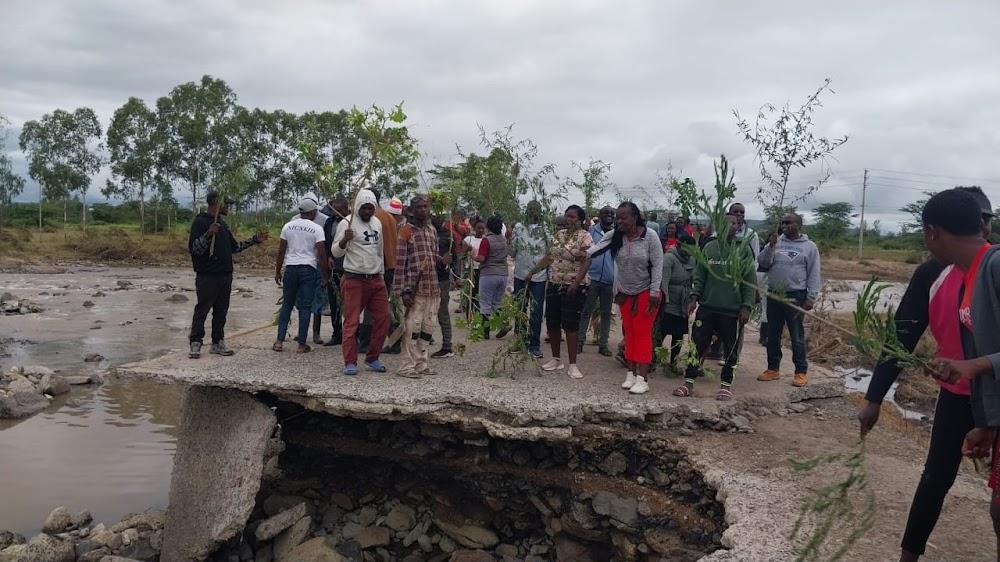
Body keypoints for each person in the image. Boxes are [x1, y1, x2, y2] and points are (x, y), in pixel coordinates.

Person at [859, 187, 993, 562]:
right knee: (935, 479)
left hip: (995, 397)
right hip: (958, 397)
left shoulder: (993, 271)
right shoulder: (932, 273)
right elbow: (901, 335)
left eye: (986, 221)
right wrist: (873, 398)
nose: (982, 229)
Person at [918, 189, 1000, 560]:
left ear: (932, 232)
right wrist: (986, 423)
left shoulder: (995, 267)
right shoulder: (969, 276)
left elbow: (980, 362)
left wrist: (974, 365)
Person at [678, 214, 755, 400]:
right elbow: (700, 275)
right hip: (707, 307)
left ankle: (725, 386)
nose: (729, 226)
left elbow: (749, 281)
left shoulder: (743, 250)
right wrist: (694, 296)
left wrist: (746, 306)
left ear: (738, 227)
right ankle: (688, 383)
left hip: (732, 310)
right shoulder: (710, 247)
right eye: (725, 223)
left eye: (734, 223)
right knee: (697, 346)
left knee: (730, 349)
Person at [588, 202, 663, 394]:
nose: (618, 220)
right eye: (617, 217)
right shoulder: (615, 235)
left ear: (635, 217)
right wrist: (577, 255)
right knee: (629, 332)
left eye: (623, 217)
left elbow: (657, 266)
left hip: (648, 291)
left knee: (642, 332)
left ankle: (643, 378)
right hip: (625, 292)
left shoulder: (650, 237)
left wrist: (655, 292)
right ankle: (630, 374)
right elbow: (595, 249)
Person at [187, 191, 268, 358]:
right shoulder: (200, 222)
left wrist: (254, 240)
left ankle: (217, 342)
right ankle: (195, 343)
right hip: (207, 275)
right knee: (202, 309)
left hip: (225, 275)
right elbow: (195, 249)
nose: (229, 207)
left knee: (221, 311)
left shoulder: (223, 225)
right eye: (226, 204)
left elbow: (234, 247)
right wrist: (209, 234)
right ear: (216, 203)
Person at [756, 212, 821, 387]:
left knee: (796, 335)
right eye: (783, 222)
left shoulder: (809, 247)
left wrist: (811, 297)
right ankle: (773, 369)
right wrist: (770, 246)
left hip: (796, 296)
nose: (785, 225)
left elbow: (814, 273)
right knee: (772, 333)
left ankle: (800, 372)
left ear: (799, 225)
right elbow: (762, 262)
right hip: (774, 294)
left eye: (789, 222)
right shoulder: (777, 242)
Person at [528, 205, 591, 379]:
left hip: (574, 286)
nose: (568, 219)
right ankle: (556, 359)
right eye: (567, 216)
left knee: (570, 325)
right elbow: (549, 257)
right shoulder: (559, 235)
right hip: (555, 283)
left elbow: (586, 261)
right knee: (552, 323)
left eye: (572, 217)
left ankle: (573, 365)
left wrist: (576, 283)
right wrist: (532, 272)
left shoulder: (585, 237)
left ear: (580, 220)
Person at [331, 188, 390, 376]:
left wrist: (381, 273)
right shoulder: (346, 223)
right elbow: (335, 252)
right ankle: (350, 362)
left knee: (383, 319)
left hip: (375, 279)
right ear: (357, 207)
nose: (367, 212)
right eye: (364, 208)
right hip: (354, 279)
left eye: (370, 208)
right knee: (352, 322)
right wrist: (344, 241)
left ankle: (373, 357)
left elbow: (379, 250)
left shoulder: (377, 223)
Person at [273, 197, 329, 353]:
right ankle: (301, 344)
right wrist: (324, 276)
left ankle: (279, 341)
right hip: (308, 269)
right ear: (312, 212)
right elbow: (322, 255)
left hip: (290, 269)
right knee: (305, 307)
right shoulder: (317, 229)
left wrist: (278, 271)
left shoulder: (288, 226)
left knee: (287, 305)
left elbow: (281, 251)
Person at [394, 195, 441, 378]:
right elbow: (400, 264)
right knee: (412, 328)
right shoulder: (405, 231)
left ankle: (422, 364)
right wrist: (403, 291)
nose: (423, 210)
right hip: (414, 288)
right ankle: (406, 366)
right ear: (412, 211)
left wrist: (443, 261)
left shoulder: (432, 230)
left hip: (432, 287)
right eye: (419, 207)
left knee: (428, 328)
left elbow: (434, 256)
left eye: (425, 207)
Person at [511, 201, 549, 359]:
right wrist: (510, 239)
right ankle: (520, 341)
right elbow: (513, 252)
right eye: (529, 209)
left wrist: (533, 271)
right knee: (519, 309)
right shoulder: (519, 227)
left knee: (536, 311)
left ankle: (534, 345)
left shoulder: (546, 229)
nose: (532, 212)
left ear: (540, 212)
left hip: (538, 278)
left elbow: (549, 255)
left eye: (535, 210)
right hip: (519, 275)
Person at [578, 206, 615, 356]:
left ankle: (603, 345)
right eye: (606, 213)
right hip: (591, 278)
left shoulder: (616, 234)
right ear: (599, 216)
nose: (609, 216)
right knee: (586, 311)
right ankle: (579, 342)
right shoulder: (591, 232)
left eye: (612, 214)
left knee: (606, 314)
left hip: (609, 278)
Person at [314, 195, 350, 346]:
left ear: (347, 208)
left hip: (349, 267)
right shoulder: (329, 223)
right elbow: (326, 243)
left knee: (350, 303)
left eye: (339, 210)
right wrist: (328, 256)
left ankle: (351, 334)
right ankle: (337, 334)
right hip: (333, 267)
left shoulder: (352, 222)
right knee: (334, 301)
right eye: (334, 209)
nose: (336, 212)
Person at [659, 234, 696, 371]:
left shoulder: (692, 260)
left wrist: (693, 298)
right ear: (679, 245)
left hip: (683, 303)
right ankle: (653, 359)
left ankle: (673, 363)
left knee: (679, 335)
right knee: (662, 332)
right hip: (669, 302)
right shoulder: (669, 258)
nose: (690, 251)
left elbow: (695, 279)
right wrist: (665, 301)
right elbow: (664, 281)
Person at [474, 215, 510, 340]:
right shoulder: (504, 239)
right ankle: (504, 323)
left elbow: (482, 258)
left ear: (487, 227)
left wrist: (473, 256)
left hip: (488, 273)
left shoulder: (486, 240)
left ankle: (486, 331)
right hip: (503, 274)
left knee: (485, 303)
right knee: (497, 302)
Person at [431, 214, 459, 359]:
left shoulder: (448, 236)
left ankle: (447, 346)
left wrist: (456, 276)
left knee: (442, 312)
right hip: (426, 278)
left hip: (442, 279)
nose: (436, 218)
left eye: (439, 216)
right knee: (422, 313)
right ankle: (424, 340)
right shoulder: (426, 231)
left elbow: (455, 257)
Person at [461, 219, 486, 315]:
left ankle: (478, 312)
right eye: (478, 228)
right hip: (471, 269)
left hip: (482, 270)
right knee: (470, 291)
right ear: (474, 228)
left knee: (479, 292)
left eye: (482, 228)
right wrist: (467, 249)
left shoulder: (486, 240)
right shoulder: (468, 239)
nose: (480, 230)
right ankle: (469, 313)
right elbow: (462, 254)